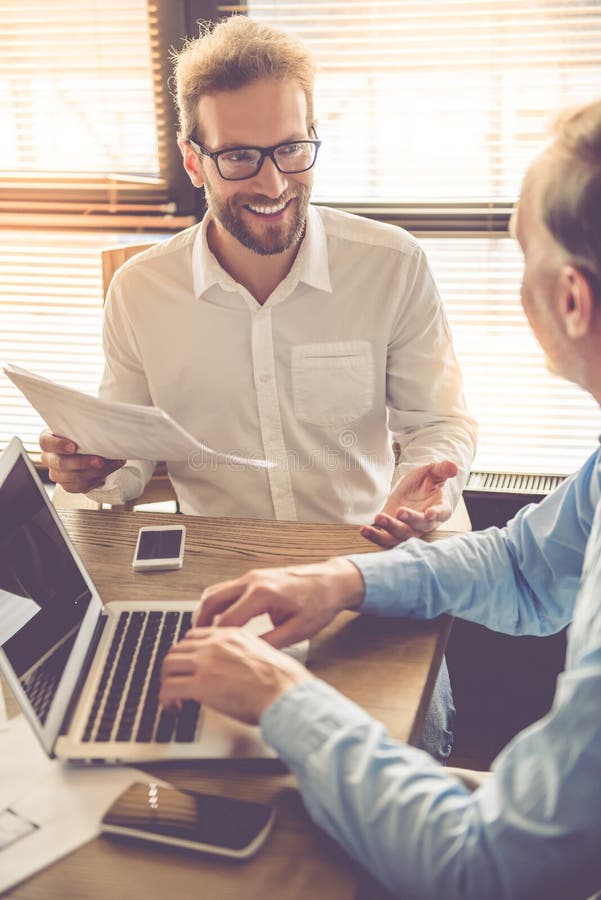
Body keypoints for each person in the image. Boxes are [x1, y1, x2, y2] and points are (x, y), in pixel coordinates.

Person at [159, 98, 601, 900]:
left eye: (519, 257)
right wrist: (338, 581)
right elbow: (528, 570)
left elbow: (484, 871)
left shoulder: (385, 263)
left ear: (569, 299)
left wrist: (282, 697)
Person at [39, 17, 476, 759]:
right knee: (166, 765)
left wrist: (426, 483)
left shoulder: (391, 265)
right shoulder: (142, 291)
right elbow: (126, 463)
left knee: (409, 754)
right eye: (240, 157)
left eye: (290, 151)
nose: (272, 184)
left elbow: (439, 424)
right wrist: (91, 469)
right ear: (193, 159)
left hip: (361, 576)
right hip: (209, 590)